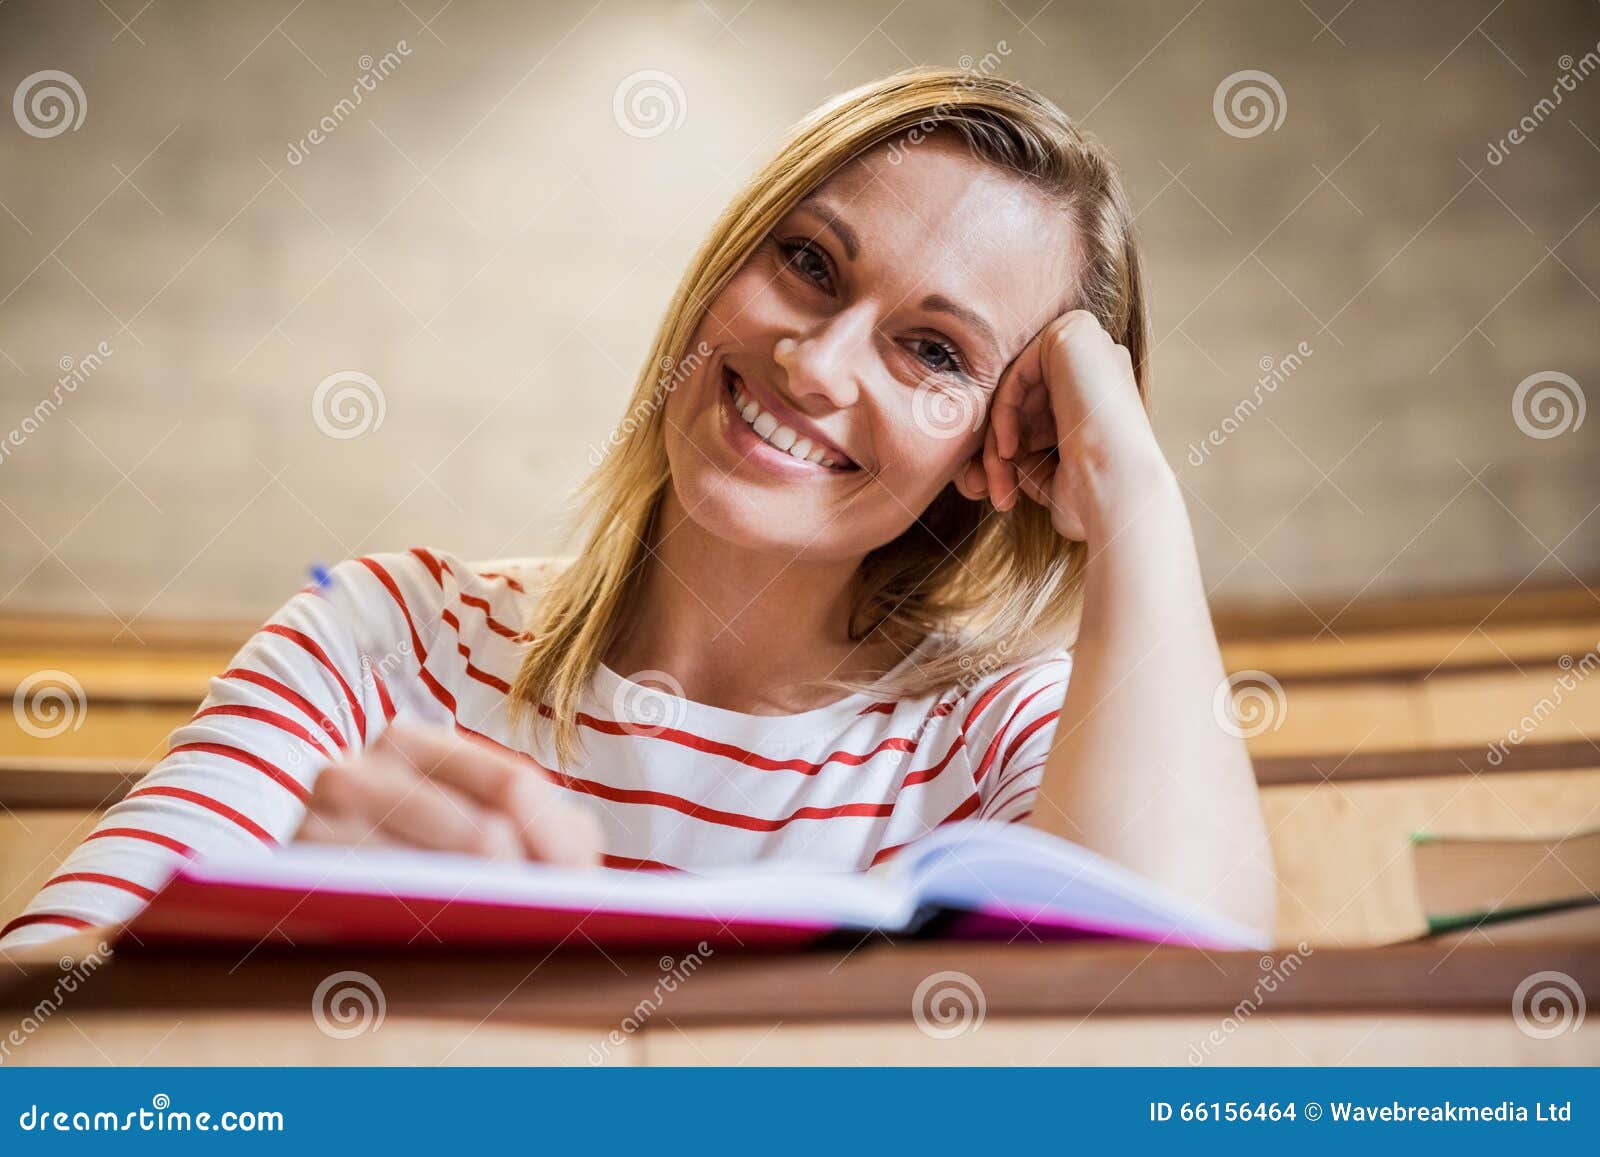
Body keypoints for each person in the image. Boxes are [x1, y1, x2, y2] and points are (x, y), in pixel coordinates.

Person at [1, 68, 1276, 950]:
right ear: (727, 265)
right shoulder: (383, 634)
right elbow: (40, 1034)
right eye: (807, 262)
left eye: (934, 352)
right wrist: (287, 928)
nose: (816, 365)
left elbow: (1172, 1049)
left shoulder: (1004, 733)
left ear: (999, 440)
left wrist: (1141, 502)